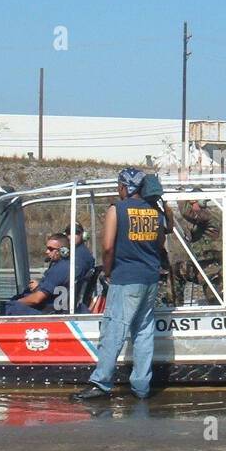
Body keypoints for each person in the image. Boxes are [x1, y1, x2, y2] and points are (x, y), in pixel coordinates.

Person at [74, 169, 164, 400]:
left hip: (125, 278)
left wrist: (107, 272)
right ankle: (142, 387)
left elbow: (107, 247)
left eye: (119, 185)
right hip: (150, 278)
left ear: (125, 187)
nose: (118, 189)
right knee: (143, 332)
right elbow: (160, 243)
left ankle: (101, 382)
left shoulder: (117, 209)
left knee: (114, 330)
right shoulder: (155, 212)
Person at [2, 233, 78, 315]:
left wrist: (16, 302)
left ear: (63, 251)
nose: (47, 251)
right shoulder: (64, 266)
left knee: (9, 307)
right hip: (48, 308)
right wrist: (38, 287)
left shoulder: (60, 269)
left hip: (47, 313)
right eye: (47, 248)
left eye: (51, 249)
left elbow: (36, 299)